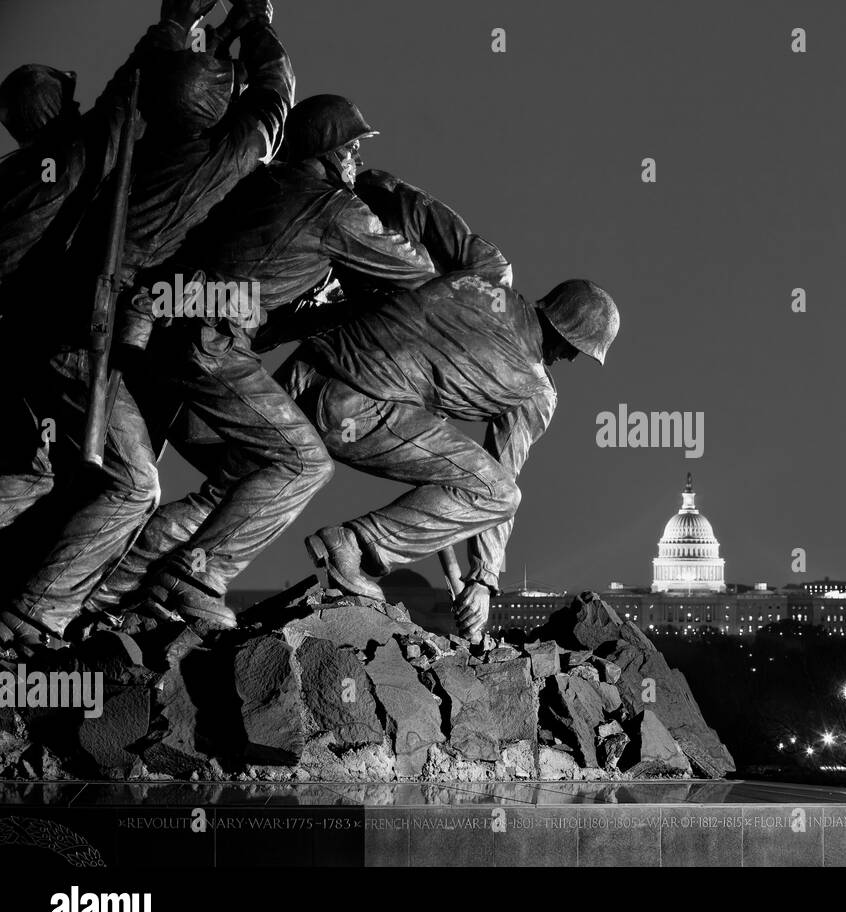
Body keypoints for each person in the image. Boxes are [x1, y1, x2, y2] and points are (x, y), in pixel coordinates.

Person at [0, 0, 291, 657]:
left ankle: (63, 592)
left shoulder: (69, 167)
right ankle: (28, 622)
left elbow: (134, 102)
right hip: (75, 343)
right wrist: (256, 25)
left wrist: (187, 38)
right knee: (129, 484)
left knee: (51, 478)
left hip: (47, 343)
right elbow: (268, 96)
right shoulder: (82, 164)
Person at [85, 93, 439, 631]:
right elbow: (419, 273)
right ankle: (194, 576)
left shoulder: (265, 184)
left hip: (172, 332)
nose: (357, 163)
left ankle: (108, 593)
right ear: (330, 150)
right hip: (210, 344)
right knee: (303, 463)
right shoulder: (336, 209)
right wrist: (406, 203)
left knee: (245, 475)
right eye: (353, 151)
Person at [281, 272, 618, 635]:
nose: (569, 358)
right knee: (498, 494)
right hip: (350, 409)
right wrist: (483, 580)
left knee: (230, 480)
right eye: (576, 348)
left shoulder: (481, 284)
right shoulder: (534, 388)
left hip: (303, 373)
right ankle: (351, 542)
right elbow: (502, 478)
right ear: (564, 331)